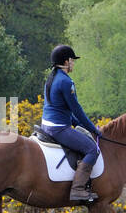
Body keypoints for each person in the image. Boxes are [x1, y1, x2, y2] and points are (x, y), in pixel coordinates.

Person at [41, 44, 103, 203]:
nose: (73, 63)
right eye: (72, 60)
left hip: (47, 124)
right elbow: (77, 109)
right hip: (59, 128)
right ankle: (78, 190)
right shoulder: (66, 82)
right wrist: (93, 129)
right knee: (92, 149)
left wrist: (77, 125)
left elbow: (63, 109)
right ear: (66, 61)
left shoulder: (52, 77)